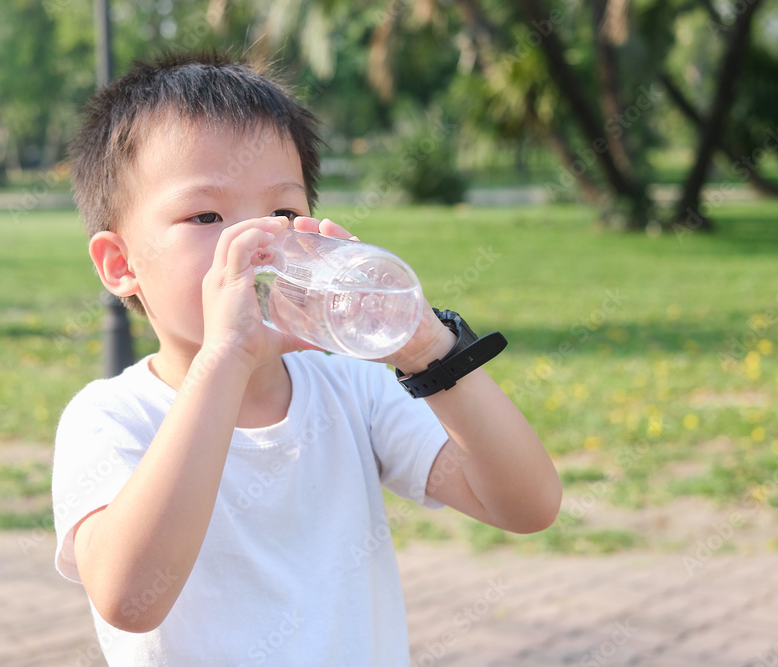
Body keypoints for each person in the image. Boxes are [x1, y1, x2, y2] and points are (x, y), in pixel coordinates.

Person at [52, 50, 561, 666]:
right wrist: (223, 361)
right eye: (206, 215)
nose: (258, 241)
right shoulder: (110, 418)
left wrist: (430, 350)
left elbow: (527, 504)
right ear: (121, 265)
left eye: (283, 212)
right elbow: (131, 600)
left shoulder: (350, 387)